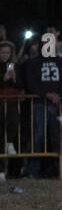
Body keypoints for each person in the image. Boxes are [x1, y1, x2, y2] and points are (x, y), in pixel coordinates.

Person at [20, 34, 62, 178]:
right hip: (39, 104)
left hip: (56, 105)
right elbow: (31, 83)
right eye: (46, 42)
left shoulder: (61, 62)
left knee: (58, 138)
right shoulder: (33, 63)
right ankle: (32, 172)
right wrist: (47, 94)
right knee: (37, 137)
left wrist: (59, 96)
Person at [0, 40, 23, 181]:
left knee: (13, 123)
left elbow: (22, 84)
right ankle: (1, 171)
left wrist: (14, 79)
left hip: (12, 102)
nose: (5, 55)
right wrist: (3, 78)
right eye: (2, 52)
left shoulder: (16, 67)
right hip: (0, 102)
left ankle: (10, 144)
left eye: (7, 52)